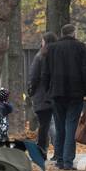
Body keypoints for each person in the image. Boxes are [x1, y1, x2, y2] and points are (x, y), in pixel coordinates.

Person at [38, 23, 86, 171]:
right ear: (74, 33)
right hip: (75, 92)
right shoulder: (80, 47)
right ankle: (68, 160)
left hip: (56, 92)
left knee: (60, 126)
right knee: (71, 125)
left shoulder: (52, 48)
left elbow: (45, 72)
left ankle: (60, 159)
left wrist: (47, 90)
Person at [28, 32, 57, 161]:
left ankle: (41, 151)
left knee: (44, 126)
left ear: (45, 42)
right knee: (57, 124)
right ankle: (59, 151)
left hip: (42, 96)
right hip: (57, 95)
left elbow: (34, 76)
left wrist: (31, 90)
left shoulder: (40, 56)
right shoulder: (58, 56)